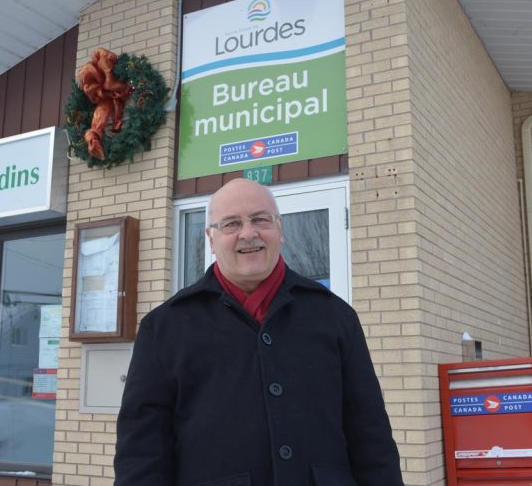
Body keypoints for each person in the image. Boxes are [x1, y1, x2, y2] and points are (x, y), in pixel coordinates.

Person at [114, 178, 404, 486]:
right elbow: (141, 451)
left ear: (280, 229)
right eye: (231, 224)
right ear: (211, 239)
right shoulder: (164, 328)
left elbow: (370, 435)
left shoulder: (335, 316)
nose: (248, 233)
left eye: (260, 219)